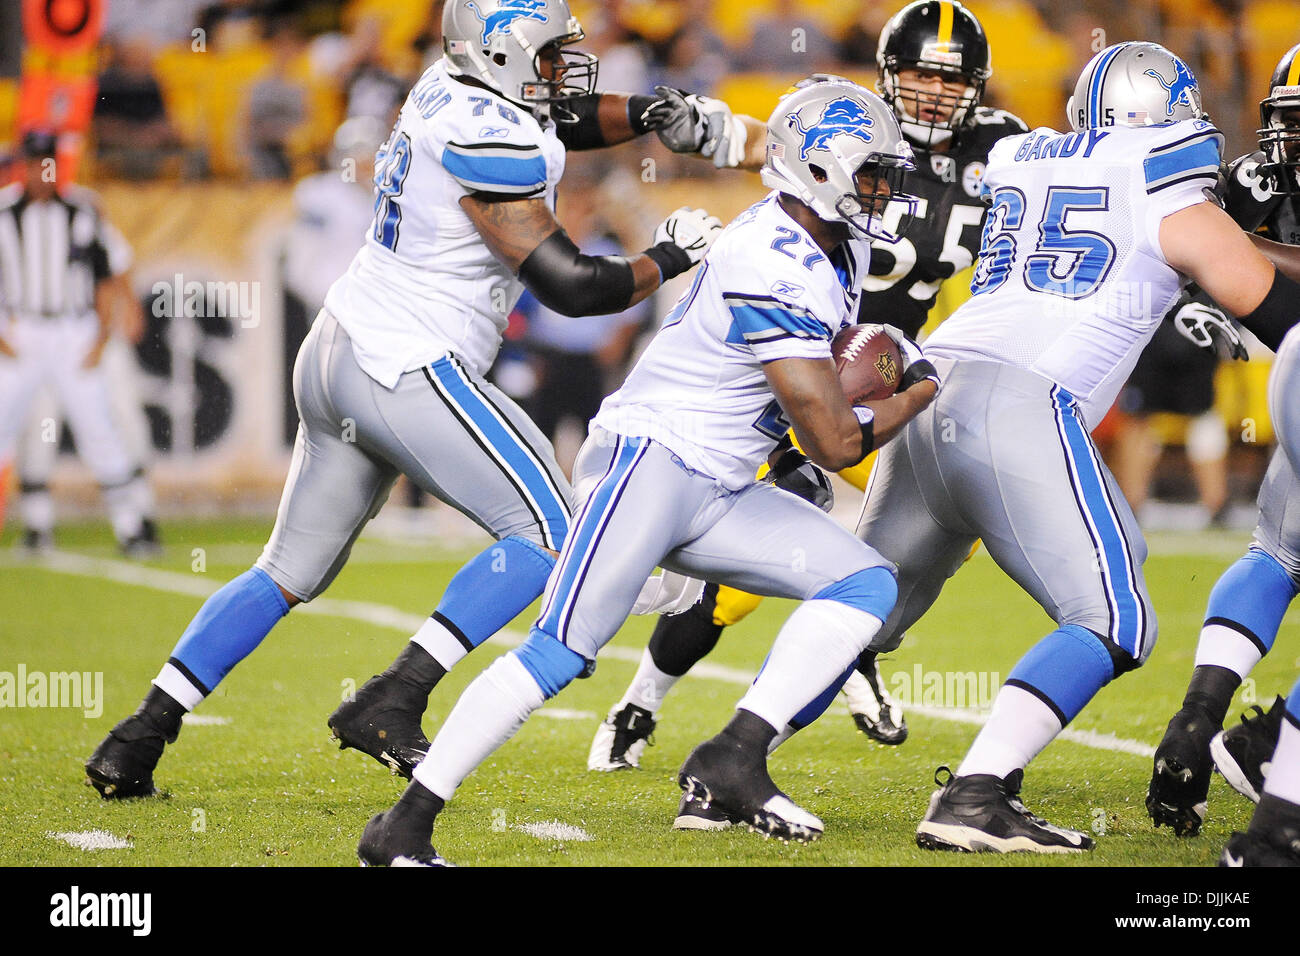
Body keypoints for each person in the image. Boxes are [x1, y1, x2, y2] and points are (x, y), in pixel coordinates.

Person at [83, 0, 732, 800]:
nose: (565, 70)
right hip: (407, 362)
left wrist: (647, 112)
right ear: (501, 57)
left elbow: (557, 114)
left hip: (338, 350)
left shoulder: (444, 81)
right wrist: (670, 256)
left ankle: (138, 735)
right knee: (548, 535)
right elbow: (572, 285)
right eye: (549, 55)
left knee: (284, 571)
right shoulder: (491, 138)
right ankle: (396, 695)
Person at [355, 80, 941, 866]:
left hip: (722, 483)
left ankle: (733, 758)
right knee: (561, 651)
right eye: (871, 172)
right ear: (820, 170)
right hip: (653, 464)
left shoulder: (844, 245)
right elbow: (837, 441)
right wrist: (919, 391)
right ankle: (404, 827)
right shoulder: (772, 258)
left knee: (866, 585)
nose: (884, 189)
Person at [847, 41, 1300, 853]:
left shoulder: (1032, 160)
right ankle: (980, 792)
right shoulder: (1166, 182)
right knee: (1116, 614)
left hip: (934, 382)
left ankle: (736, 751)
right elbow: (1275, 310)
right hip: (1021, 402)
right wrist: (1225, 254)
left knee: (860, 609)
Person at [589, 0, 1030, 780]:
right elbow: (772, 143)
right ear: (890, 74)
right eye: (920, 71)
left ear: (978, 87)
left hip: (891, 372)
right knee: (741, 578)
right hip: (808, 372)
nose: (932, 89)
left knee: (936, 525)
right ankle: (642, 701)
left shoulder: (1003, 150)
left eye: (950, 77)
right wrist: (708, 128)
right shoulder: (859, 132)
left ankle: (854, 652)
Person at [1147, 42, 1300, 839]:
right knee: (1278, 551)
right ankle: (1266, 748)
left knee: (1279, 552)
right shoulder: (1252, 180)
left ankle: (1204, 719)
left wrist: (1232, 272)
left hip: (1291, 366)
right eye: (1296, 124)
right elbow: (1171, 262)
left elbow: (1209, 255)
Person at [0, 130, 158, 556]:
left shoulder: (83, 212)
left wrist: (100, 338)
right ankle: (36, 528)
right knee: (8, 429)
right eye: (34, 163)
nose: (42, 172)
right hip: (22, 331)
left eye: (47, 162)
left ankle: (132, 529)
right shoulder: (3, 214)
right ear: (22, 167)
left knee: (99, 431)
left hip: (72, 332)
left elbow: (108, 277)